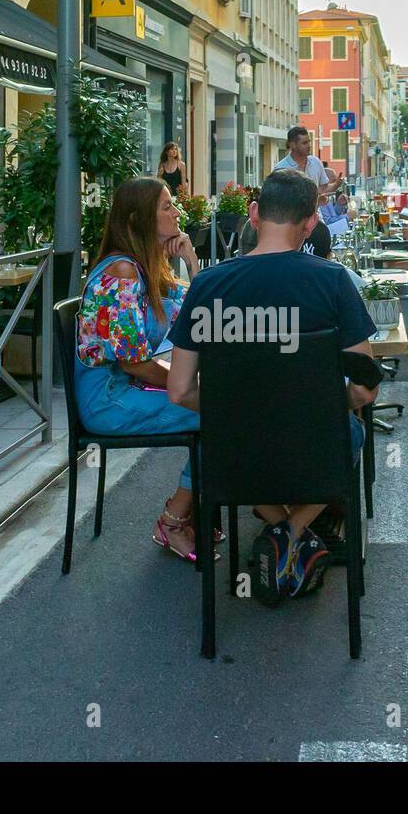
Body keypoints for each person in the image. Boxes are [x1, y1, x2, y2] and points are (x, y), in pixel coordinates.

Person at [166, 169, 380, 604]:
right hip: (315, 448)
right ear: (312, 222)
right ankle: (294, 531)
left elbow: (179, 390)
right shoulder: (334, 281)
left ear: (254, 214)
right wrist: (321, 408)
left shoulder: (207, 285)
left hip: (236, 453)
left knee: (223, 448)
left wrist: (235, 412)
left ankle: (284, 533)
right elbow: (364, 388)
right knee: (352, 431)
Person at [74, 177, 211, 563]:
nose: (176, 213)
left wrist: (189, 259)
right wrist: (187, 383)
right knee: (219, 410)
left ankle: (197, 510)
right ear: (139, 219)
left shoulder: (144, 268)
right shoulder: (122, 273)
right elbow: (133, 362)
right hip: (109, 401)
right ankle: (173, 520)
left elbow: (198, 309)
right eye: (167, 206)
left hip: (128, 388)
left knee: (215, 401)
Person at [272, 126, 336, 198]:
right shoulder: (281, 169)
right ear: (293, 145)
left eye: (309, 142)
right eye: (304, 143)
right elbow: (277, 198)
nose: (309, 146)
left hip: (315, 209)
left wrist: (336, 185)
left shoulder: (316, 162)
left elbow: (323, 189)